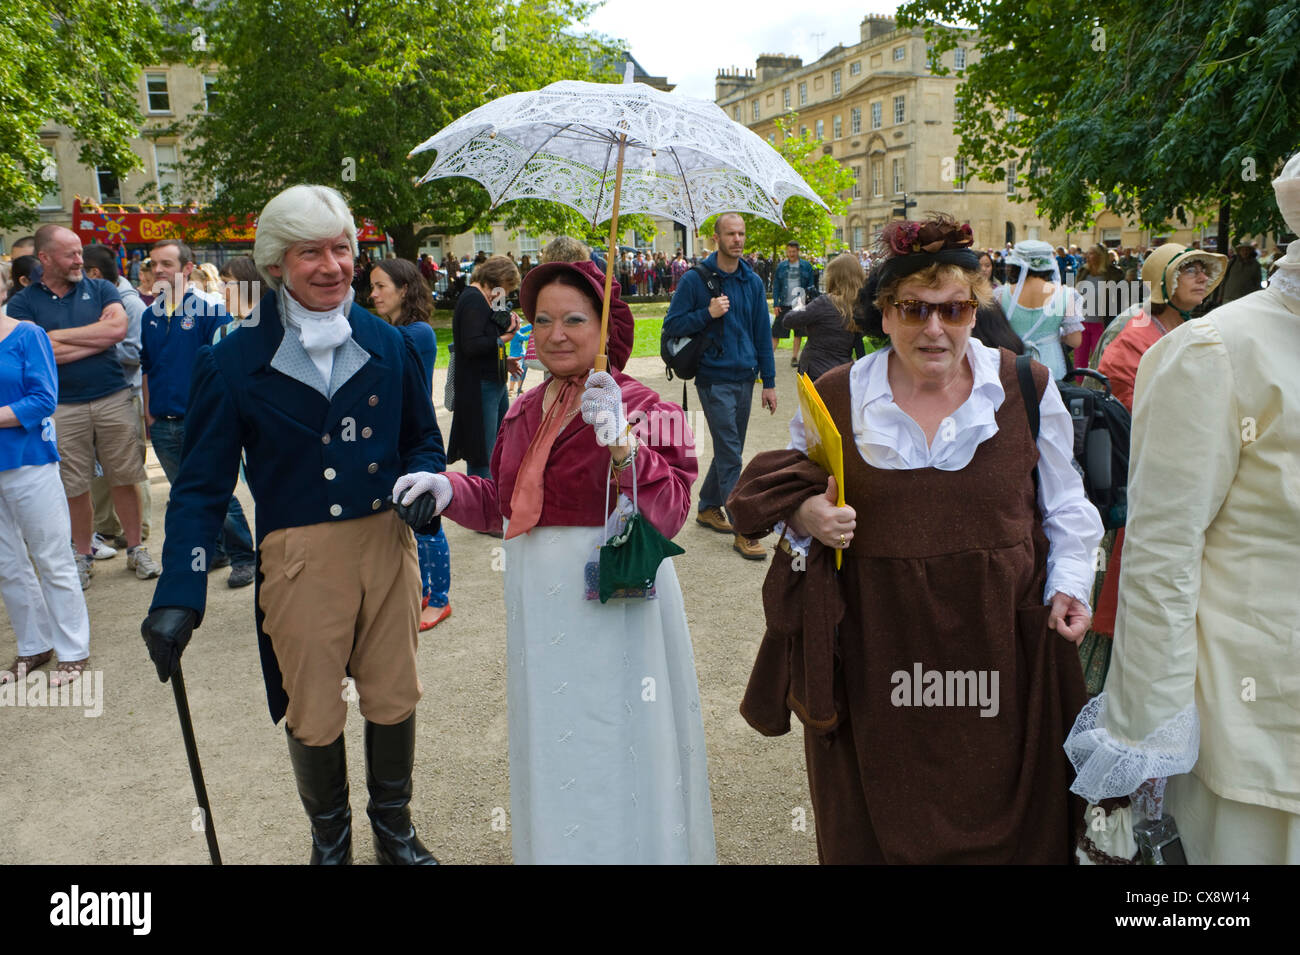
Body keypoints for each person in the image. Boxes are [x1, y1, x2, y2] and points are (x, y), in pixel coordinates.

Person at [728, 213, 1103, 864]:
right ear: (884, 310)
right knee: (879, 828)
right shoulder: (838, 396)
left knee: (1015, 830)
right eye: (914, 309)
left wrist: (1070, 581)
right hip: (880, 649)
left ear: (974, 308)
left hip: (1003, 643)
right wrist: (809, 515)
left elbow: (1065, 501)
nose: (935, 328)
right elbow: (793, 492)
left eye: (953, 310)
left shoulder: (1024, 386)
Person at [140, 184, 446, 865]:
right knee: (312, 707)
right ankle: (330, 842)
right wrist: (178, 593)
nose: (333, 266)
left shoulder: (391, 345)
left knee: (394, 693)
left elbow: (423, 439)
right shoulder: (232, 360)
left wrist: (427, 481)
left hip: (385, 546)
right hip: (299, 558)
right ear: (277, 264)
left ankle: (393, 832)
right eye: (312, 252)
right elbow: (198, 489)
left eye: (342, 248)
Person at [416, 258, 714, 863]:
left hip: (619, 603)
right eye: (543, 319)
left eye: (575, 319)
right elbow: (507, 506)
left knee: (621, 732)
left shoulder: (650, 405)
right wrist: (449, 491)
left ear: (607, 328)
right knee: (559, 737)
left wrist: (626, 451)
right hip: (541, 604)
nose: (556, 333)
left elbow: (673, 510)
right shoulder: (525, 409)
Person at [1065, 152, 1300, 864]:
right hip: (1261, 728)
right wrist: (1146, 738)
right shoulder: (1216, 350)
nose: (1201, 280)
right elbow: (1164, 552)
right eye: (1188, 270)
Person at [4, 225, 157, 588]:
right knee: (74, 484)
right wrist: (94, 339)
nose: (79, 260)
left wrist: (52, 338)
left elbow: (117, 331)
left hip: (112, 396)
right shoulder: (24, 301)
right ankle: (83, 554)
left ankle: (135, 548)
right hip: (60, 406)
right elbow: (36, 353)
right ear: (45, 258)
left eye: (80, 252)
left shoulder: (101, 287)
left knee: (125, 476)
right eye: (70, 254)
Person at [141, 239, 255, 589]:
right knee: (186, 493)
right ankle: (215, 551)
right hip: (163, 423)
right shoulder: (150, 315)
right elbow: (147, 368)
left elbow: (223, 366)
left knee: (215, 489)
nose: (159, 270)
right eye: (154, 264)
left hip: (200, 419)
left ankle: (244, 556)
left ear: (187, 268)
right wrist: (149, 416)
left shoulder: (211, 310)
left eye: (167, 264)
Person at [663, 212, 777, 561]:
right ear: (716, 238)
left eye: (741, 234)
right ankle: (745, 528)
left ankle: (708, 505)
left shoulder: (752, 281)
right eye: (730, 234)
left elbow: (762, 333)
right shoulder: (696, 280)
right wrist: (707, 313)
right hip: (713, 379)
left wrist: (768, 382)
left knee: (731, 449)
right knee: (731, 453)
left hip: (745, 376)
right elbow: (672, 326)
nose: (738, 240)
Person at [0, 306, 92, 687]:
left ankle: (73, 650)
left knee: (52, 557)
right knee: (6, 564)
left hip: (30, 461)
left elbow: (42, 400)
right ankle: (33, 645)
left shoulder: (27, 335)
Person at [369, 258, 452, 632]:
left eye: (380, 286)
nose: (372, 295)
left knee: (427, 521)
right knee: (412, 521)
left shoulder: (415, 333)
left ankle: (440, 600)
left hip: (413, 440)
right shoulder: (396, 331)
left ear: (404, 289)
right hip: (396, 440)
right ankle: (425, 591)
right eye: (371, 287)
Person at [82, 243, 152, 559]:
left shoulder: (130, 305)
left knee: (129, 469)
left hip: (126, 395)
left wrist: (95, 344)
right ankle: (108, 527)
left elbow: (136, 354)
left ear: (94, 273)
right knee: (99, 471)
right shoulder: (93, 301)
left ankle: (140, 531)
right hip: (97, 397)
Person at [446, 255, 520, 480]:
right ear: (497, 279)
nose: (506, 294)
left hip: (493, 381)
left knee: (499, 446)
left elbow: (492, 329)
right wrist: (505, 338)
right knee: (483, 453)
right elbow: (472, 345)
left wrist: (502, 360)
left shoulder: (486, 299)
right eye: (506, 287)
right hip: (479, 386)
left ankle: (494, 496)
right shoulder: (472, 299)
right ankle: (481, 501)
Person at [999, 240, 1084, 381]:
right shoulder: (1065, 294)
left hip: (1013, 364)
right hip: (1050, 365)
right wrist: (1054, 334)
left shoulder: (1001, 294)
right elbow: (1074, 340)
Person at [780, 252, 865, 380]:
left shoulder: (825, 302)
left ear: (834, 277)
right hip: (842, 374)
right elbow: (859, 347)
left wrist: (800, 304)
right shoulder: (859, 307)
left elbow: (789, 320)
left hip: (816, 373)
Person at [771, 240, 816, 367]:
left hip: (799, 303)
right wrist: (775, 303)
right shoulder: (781, 266)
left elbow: (811, 286)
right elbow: (776, 286)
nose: (791, 254)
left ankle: (795, 357)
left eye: (793, 252)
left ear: (798, 251)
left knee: (799, 332)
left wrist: (808, 303)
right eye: (789, 251)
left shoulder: (806, 266)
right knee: (776, 332)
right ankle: (769, 357)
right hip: (784, 303)